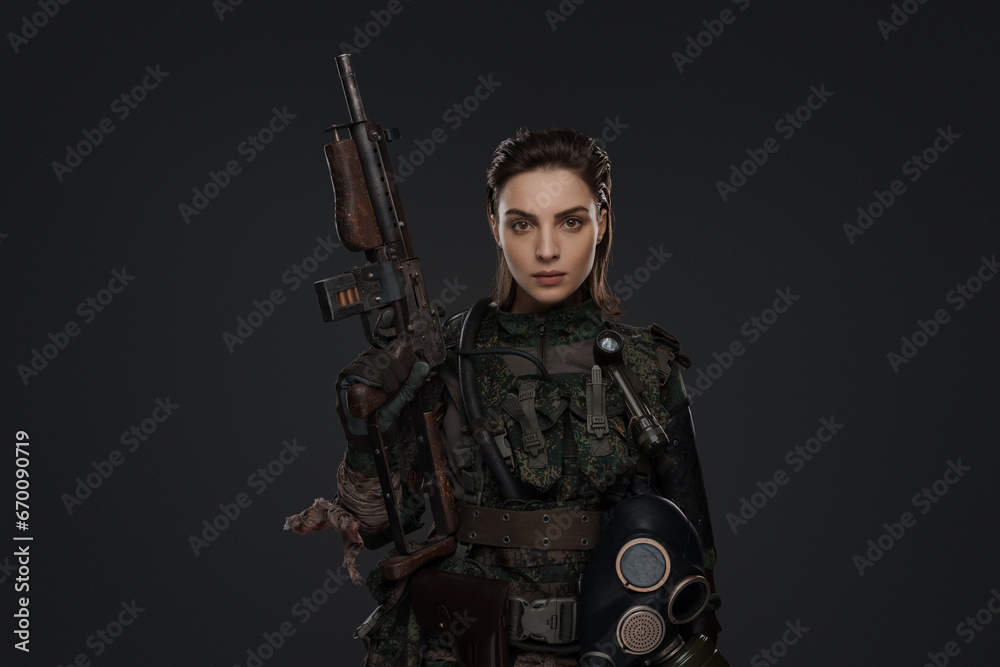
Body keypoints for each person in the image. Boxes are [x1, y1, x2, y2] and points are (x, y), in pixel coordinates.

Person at [287, 128, 723, 666]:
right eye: (522, 223)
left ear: (602, 222)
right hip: (462, 646)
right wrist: (362, 432)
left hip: (608, 648)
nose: (546, 249)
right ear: (493, 225)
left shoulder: (644, 366)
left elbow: (692, 550)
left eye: (571, 221)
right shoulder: (440, 353)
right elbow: (379, 528)